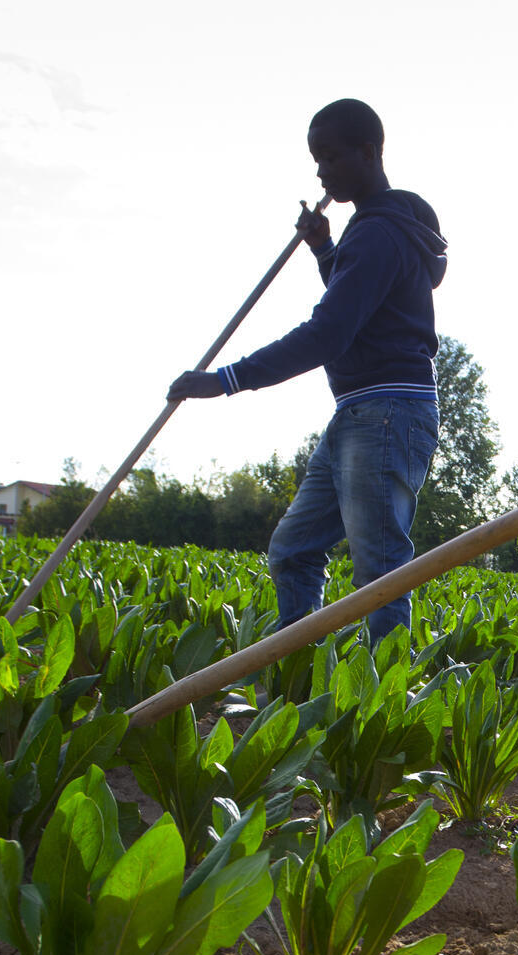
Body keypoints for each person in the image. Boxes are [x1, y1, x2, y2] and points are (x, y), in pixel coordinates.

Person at [168, 99, 446, 643]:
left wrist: (225, 381)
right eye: (316, 159)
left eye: (330, 156)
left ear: (368, 153)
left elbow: (328, 334)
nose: (320, 171)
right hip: (359, 409)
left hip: (389, 412)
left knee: (380, 570)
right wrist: (324, 251)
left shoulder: (378, 232)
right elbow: (360, 308)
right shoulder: (372, 232)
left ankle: (381, 712)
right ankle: (303, 680)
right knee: (293, 550)